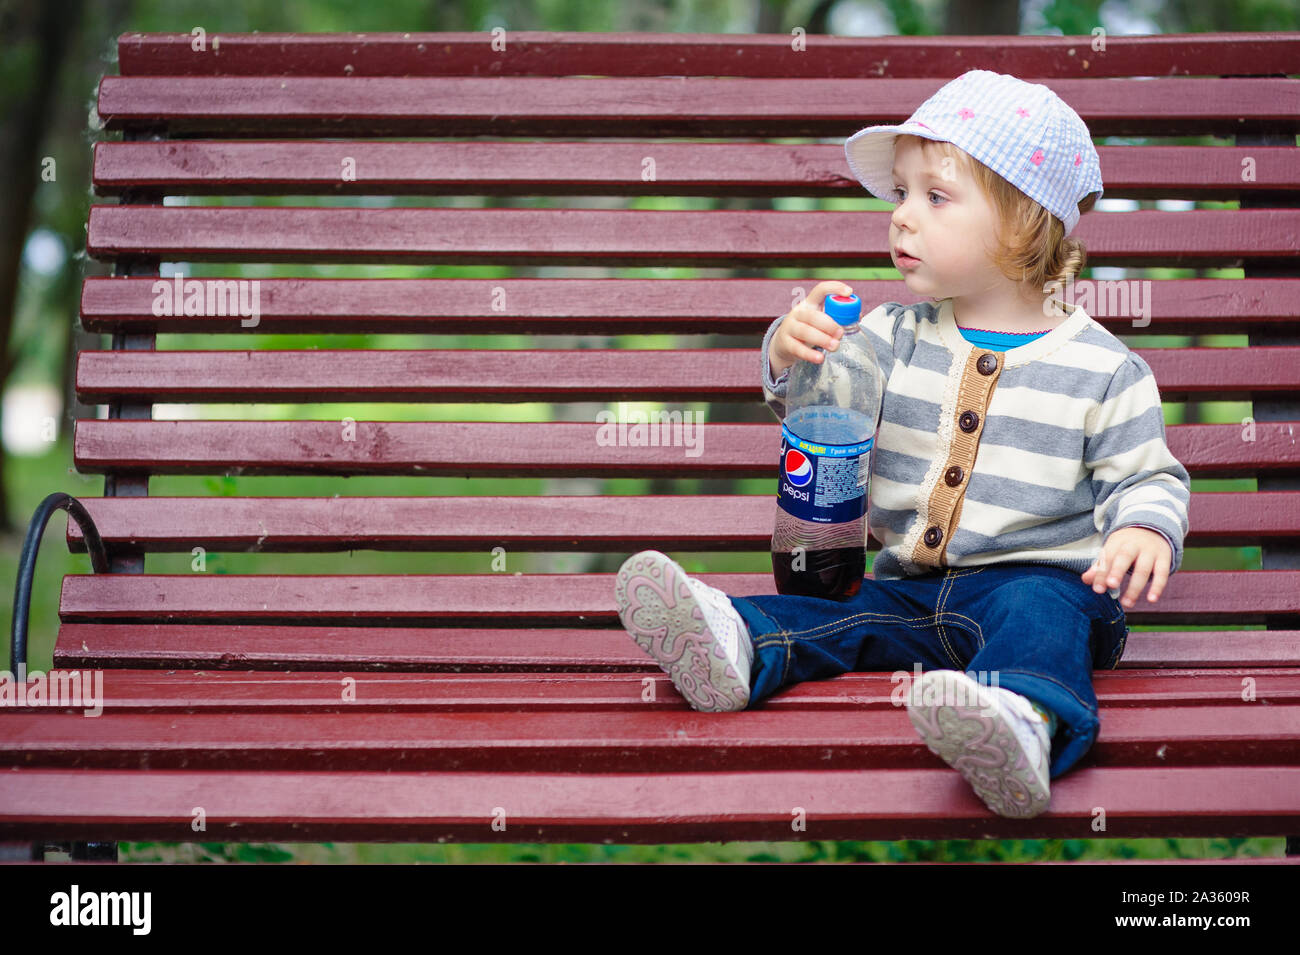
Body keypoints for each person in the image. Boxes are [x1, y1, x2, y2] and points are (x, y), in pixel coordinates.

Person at [613, 70, 1191, 819]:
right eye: (901, 196)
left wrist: (1145, 526)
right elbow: (826, 402)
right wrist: (795, 348)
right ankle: (737, 642)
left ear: (1023, 220)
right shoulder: (891, 334)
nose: (901, 219)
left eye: (935, 196)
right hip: (911, 592)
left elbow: (1148, 475)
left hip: (1041, 587)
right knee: (843, 615)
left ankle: (1023, 720)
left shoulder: (1104, 366)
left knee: (1040, 611)